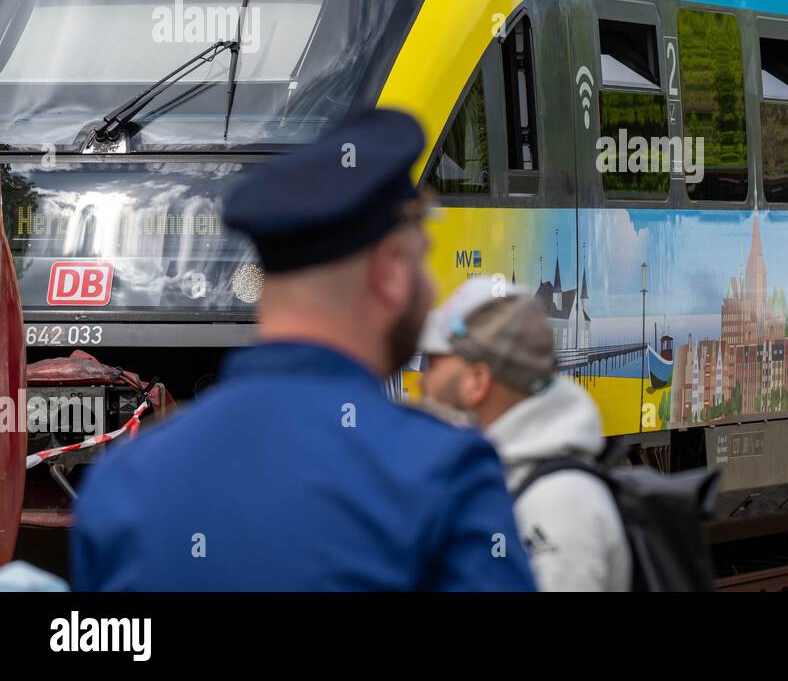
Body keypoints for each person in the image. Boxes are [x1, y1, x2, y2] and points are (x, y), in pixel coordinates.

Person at [72, 109, 535, 591]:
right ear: (391, 272)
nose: (429, 283)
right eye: (421, 260)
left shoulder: (124, 483)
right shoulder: (443, 475)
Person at [422, 278, 632, 592]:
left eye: (433, 362)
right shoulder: (505, 475)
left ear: (477, 381)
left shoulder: (560, 505)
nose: (423, 381)